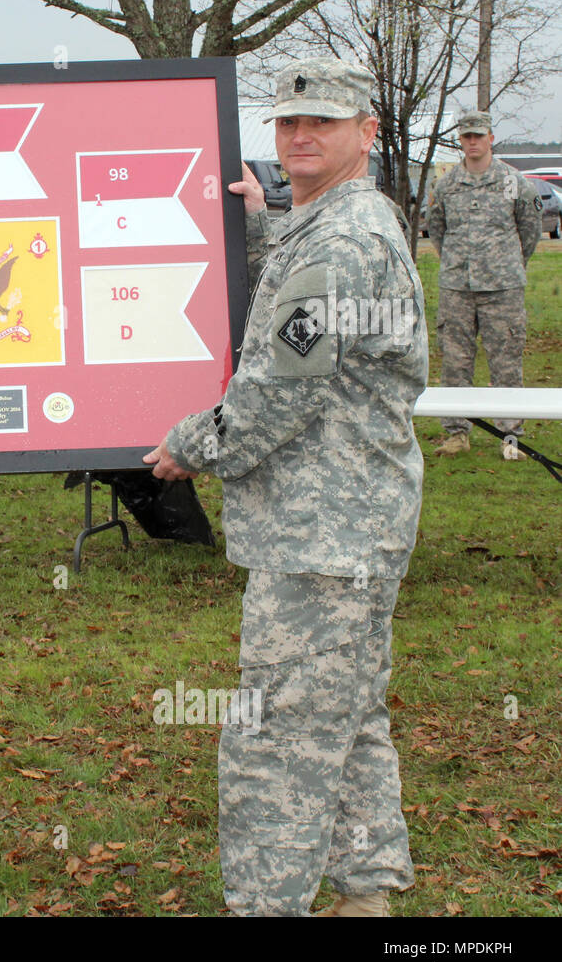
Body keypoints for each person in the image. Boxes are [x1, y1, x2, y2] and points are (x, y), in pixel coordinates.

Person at [144, 58, 427, 916]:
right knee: (347, 714)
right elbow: (305, 325)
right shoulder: (336, 225)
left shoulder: (340, 241)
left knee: (279, 732)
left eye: (325, 123)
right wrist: (260, 231)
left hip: (324, 534)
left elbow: (280, 389)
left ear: (367, 132)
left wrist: (194, 445)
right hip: (348, 524)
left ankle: (267, 904)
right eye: (288, 124)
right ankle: (368, 890)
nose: (301, 137)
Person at [427, 110, 541, 460]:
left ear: (491, 138)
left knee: (506, 363)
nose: (473, 141)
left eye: (479, 135)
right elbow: (437, 229)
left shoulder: (514, 182)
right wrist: (457, 262)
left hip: (502, 288)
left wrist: (507, 264)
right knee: (455, 363)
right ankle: (457, 434)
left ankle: (510, 437)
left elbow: (530, 231)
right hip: (458, 287)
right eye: (467, 136)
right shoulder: (446, 184)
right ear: (460, 140)